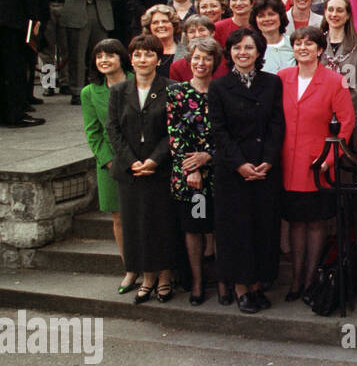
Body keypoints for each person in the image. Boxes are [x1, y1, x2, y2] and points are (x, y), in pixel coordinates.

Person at [208, 27, 285, 312]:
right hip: (233, 171)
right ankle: (240, 287)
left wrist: (269, 159)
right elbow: (219, 130)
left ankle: (257, 285)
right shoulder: (218, 87)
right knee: (236, 230)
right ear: (229, 52)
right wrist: (240, 164)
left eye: (249, 48)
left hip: (264, 168)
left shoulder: (272, 83)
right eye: (237, 47)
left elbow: (277, 125)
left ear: (259, 52)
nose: (243, 53)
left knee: (263, 227)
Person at [279, 26, 357, 302]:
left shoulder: (335, 81)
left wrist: (329, 159)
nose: (303, 48)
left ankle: (311, 280)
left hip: (318, 164)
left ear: (320, 50)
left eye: (309, 44)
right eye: (298, 43)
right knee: (295, 223)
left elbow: (346, 122)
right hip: (287, 163)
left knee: (315, 224)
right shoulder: (282, 77)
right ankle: (296, 279)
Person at [107, 33, 179, 303]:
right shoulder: (118, 90)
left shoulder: (171, 88)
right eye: (137, 54)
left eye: (148, 54)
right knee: (136, 225)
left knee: (161, 223)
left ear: (158, 59)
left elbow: (174, 130)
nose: (142, 59)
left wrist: (155, 160)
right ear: (131, 59)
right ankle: (147, 277)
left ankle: (164, 278)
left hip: (160, 169)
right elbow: (112, 129)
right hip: (130, 171)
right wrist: (131, 161)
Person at [167, 36, 221, 305]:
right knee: (194, 226)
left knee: (220, 226)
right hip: (191, 177)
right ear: (189, 61)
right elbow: (176, 135)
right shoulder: (176, 93)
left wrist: (208, 157)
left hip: (220, 173)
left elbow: (227, 134)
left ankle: (223, 282)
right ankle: (198, 282)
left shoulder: (222, 91)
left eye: (207, 58)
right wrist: (193, 169)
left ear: (215, 62)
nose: (201, 63)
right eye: (197, 58)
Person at [81, 38, 134, 294]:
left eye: (109, 55)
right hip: (111, 162)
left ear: (121, 58)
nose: (104, 60)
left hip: (142, 159)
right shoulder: (90, 92)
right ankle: (130, 269)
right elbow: (93, 132)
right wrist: (110, 161)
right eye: (99, 56)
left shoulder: (139, 80)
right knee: (118, 216)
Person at [61, 0, 116, 101]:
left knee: (100, 52)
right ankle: (77, 90)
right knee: (77, 53)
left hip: (99, 14)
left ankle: (100, 86)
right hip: (77, 14)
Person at [320, 0, 357, 115]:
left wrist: (338, 109)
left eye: (340, 10)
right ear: (325, 13)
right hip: (319, 112)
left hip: (350, 113)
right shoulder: (316, 43)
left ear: (348, 15)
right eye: (330, 10)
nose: (334, 14)